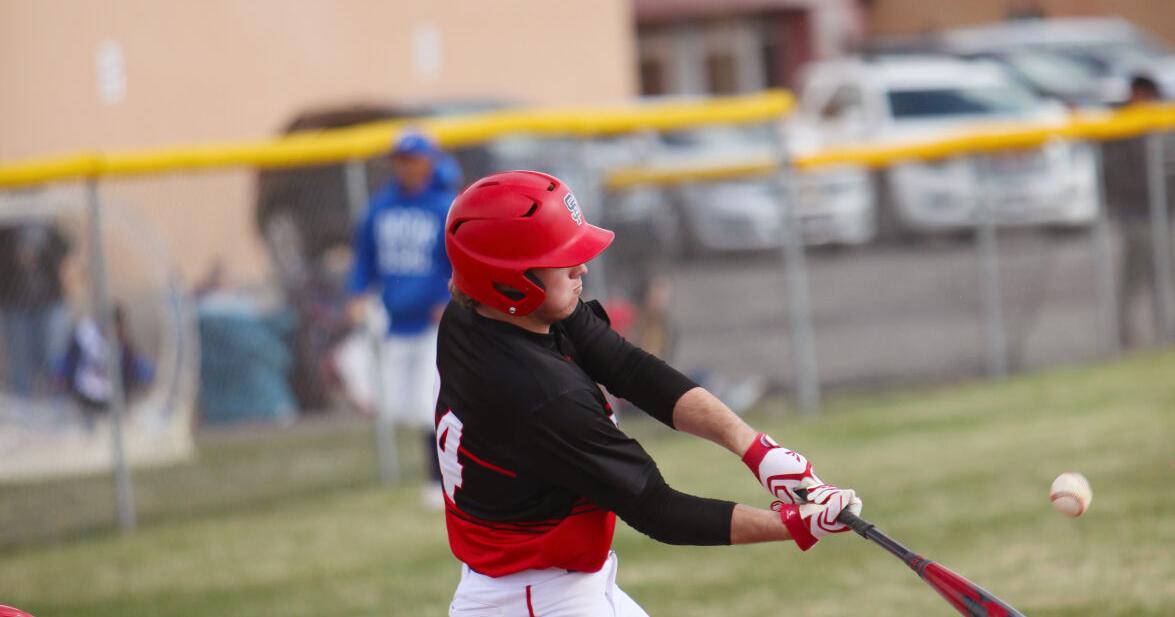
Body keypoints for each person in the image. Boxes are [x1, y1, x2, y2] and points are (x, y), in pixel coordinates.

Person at [436, 170, 862, 616]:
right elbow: (656, 508)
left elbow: (628, 368)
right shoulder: (540, 395)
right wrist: (793, 524)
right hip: (538, 600)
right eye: (561, 258)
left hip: (538, 587)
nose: (581, 267)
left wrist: (756, 450)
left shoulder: (481, 315)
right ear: (509, 278)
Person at [347, 131, 457, 507]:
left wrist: (450, 298)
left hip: (434, 323)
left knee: (432, 396)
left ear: (430, 161)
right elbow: (364, 258)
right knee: (398, 405)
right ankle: (439, 467)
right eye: (400, 159)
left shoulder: (445, 206)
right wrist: (357, 292)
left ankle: (437, 480)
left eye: (413, 158)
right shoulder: (379, 208)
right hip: (395, 321)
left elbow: (460, 260)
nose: (406, 166)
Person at [1102, 75, 1167, 347]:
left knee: (1162, 275)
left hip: (1164, 214)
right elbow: (1116, 177)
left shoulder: (1159, 124)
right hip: (1137, 215)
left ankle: (1163, 332)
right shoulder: (1119, 126)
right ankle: (1127, 338)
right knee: (1136, 278)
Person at [0, 221, 72, 397]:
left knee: (54, 362)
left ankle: (56, 409)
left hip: (49, 304)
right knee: (21, 366)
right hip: (15, 306)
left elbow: (65, 251)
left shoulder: (48, 225)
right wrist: (14, 256)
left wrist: (40, 253)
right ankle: (23, 416)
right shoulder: (7, 225)